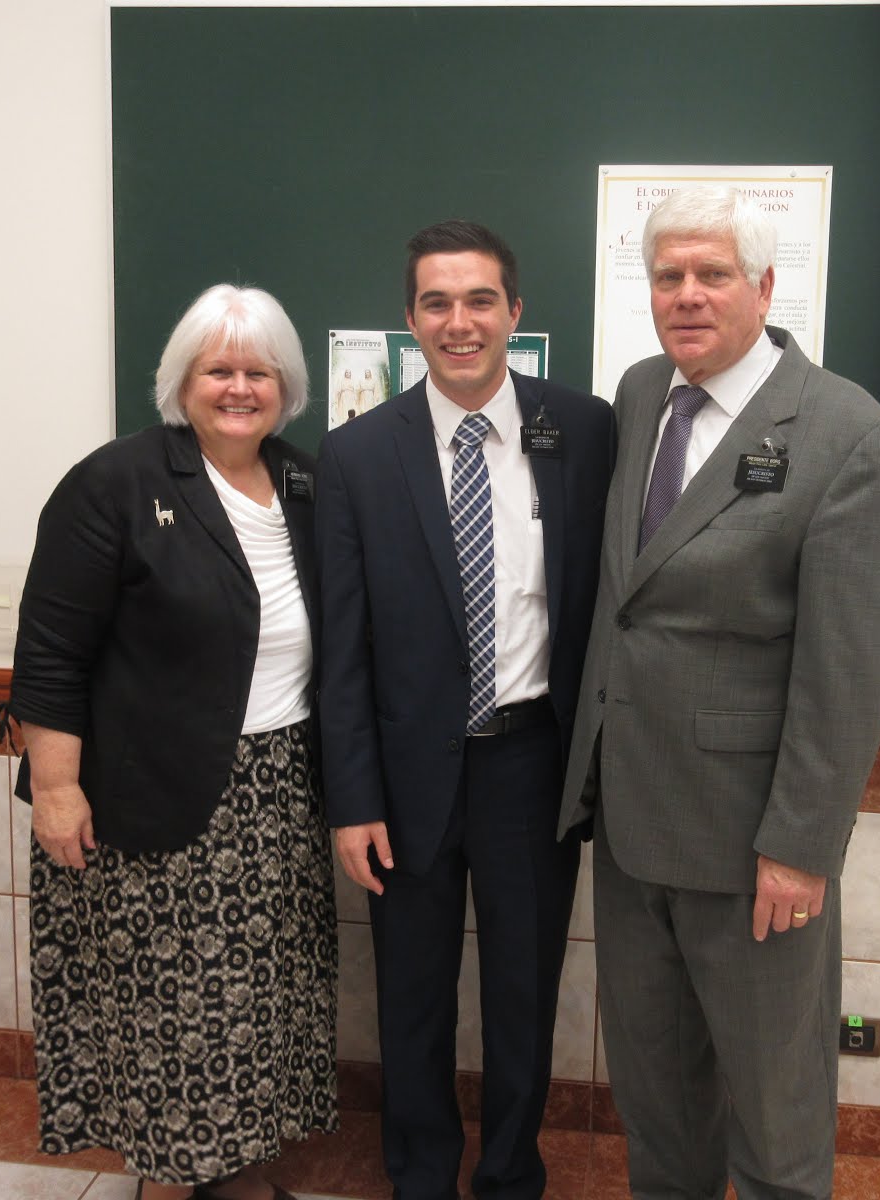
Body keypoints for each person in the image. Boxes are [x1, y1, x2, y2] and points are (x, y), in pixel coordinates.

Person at [558, 186, 880, 1200]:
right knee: (658, 1103)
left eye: (711, 274)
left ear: (763, 284)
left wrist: (801, 848)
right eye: (667, 275)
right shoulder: (638, 394)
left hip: (751, 844)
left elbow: (847, 670)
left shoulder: (848, 435)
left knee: (773, 1109)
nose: (687, 295)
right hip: (630, 823)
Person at [7, 283, 338, 1200]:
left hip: (279, 794)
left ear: (287, 386)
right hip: (152, 797)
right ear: (181, 383)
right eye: (217, 370)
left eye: (258, 371)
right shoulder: (116, 481)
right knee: (177, 1012)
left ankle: (239, 1170)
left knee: (265, 1005)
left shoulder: (307, 485)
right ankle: (192, 1180)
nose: (239, 388)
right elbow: (49, 651)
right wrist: (59, 788)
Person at [316, 220, 614, 1200]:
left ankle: (509, 1173)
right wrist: (352, 799)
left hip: (532, 762)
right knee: (411, 996)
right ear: (409, 322)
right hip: (406, 777)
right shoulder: (357, 456)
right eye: (436, 303)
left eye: (479, 299)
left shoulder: (584, 431)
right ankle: (419, 1172)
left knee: (523, 994)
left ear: (514, 312)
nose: (459, 321)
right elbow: (344, 650)